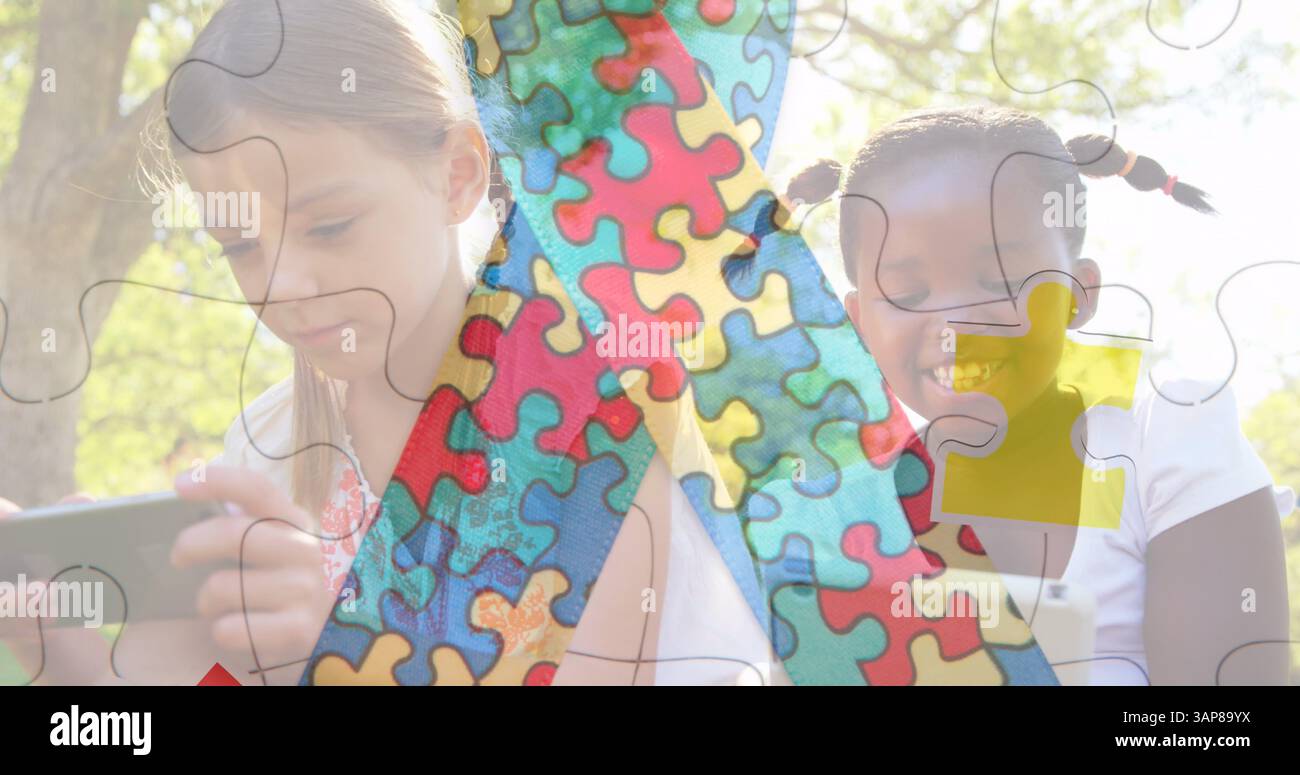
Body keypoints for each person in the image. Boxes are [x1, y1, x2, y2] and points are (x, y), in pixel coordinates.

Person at [787, 105, 1293, 684]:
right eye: (908, 292)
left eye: (1002, 280)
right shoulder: (849, 512)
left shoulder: (1167, 444)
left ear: (1080, 293)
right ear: (858, 324)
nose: (955, 323)